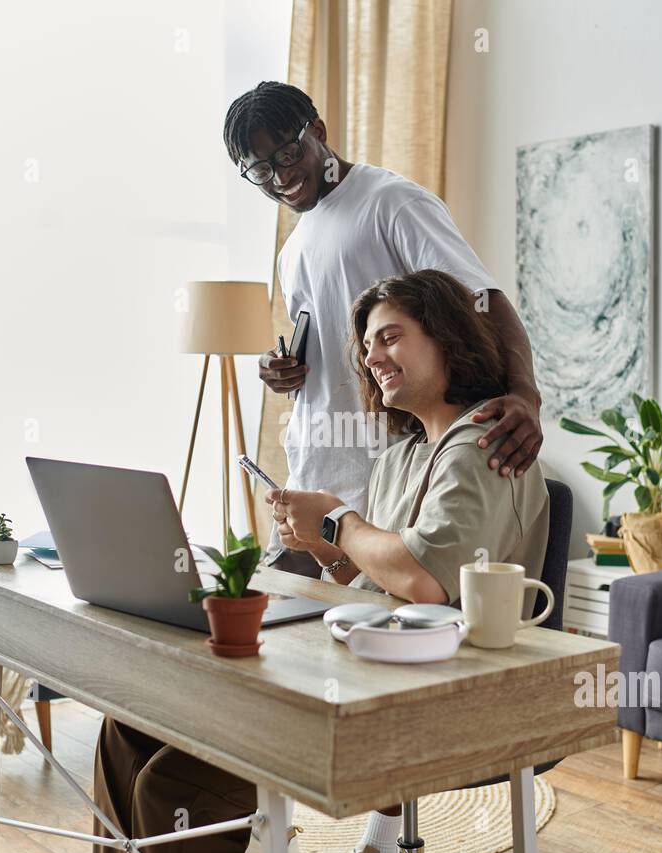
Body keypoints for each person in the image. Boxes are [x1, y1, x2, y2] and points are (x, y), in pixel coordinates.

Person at [266, 269, 550, 853]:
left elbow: (424, 579)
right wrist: (324, 548)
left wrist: (337, 518)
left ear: (446, 338)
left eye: (390, 337)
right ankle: (262, 838)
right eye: (368, 346)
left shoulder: (486, 442)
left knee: (249, 710)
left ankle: (266, 840)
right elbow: (381, 582)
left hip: (457, 683)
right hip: (391, 660)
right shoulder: (401, 457)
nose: (373, 357)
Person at [222, 81, 545, 576]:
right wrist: (282, 368)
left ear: (319, 132)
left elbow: (483, 300)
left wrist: (525, 394)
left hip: (383, 484)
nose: (280, 176)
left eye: (288, 154)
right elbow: (331, 349)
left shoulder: (390, 202)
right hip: (316, 476)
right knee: (262, 630)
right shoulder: (293, 249)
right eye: (260, 170)